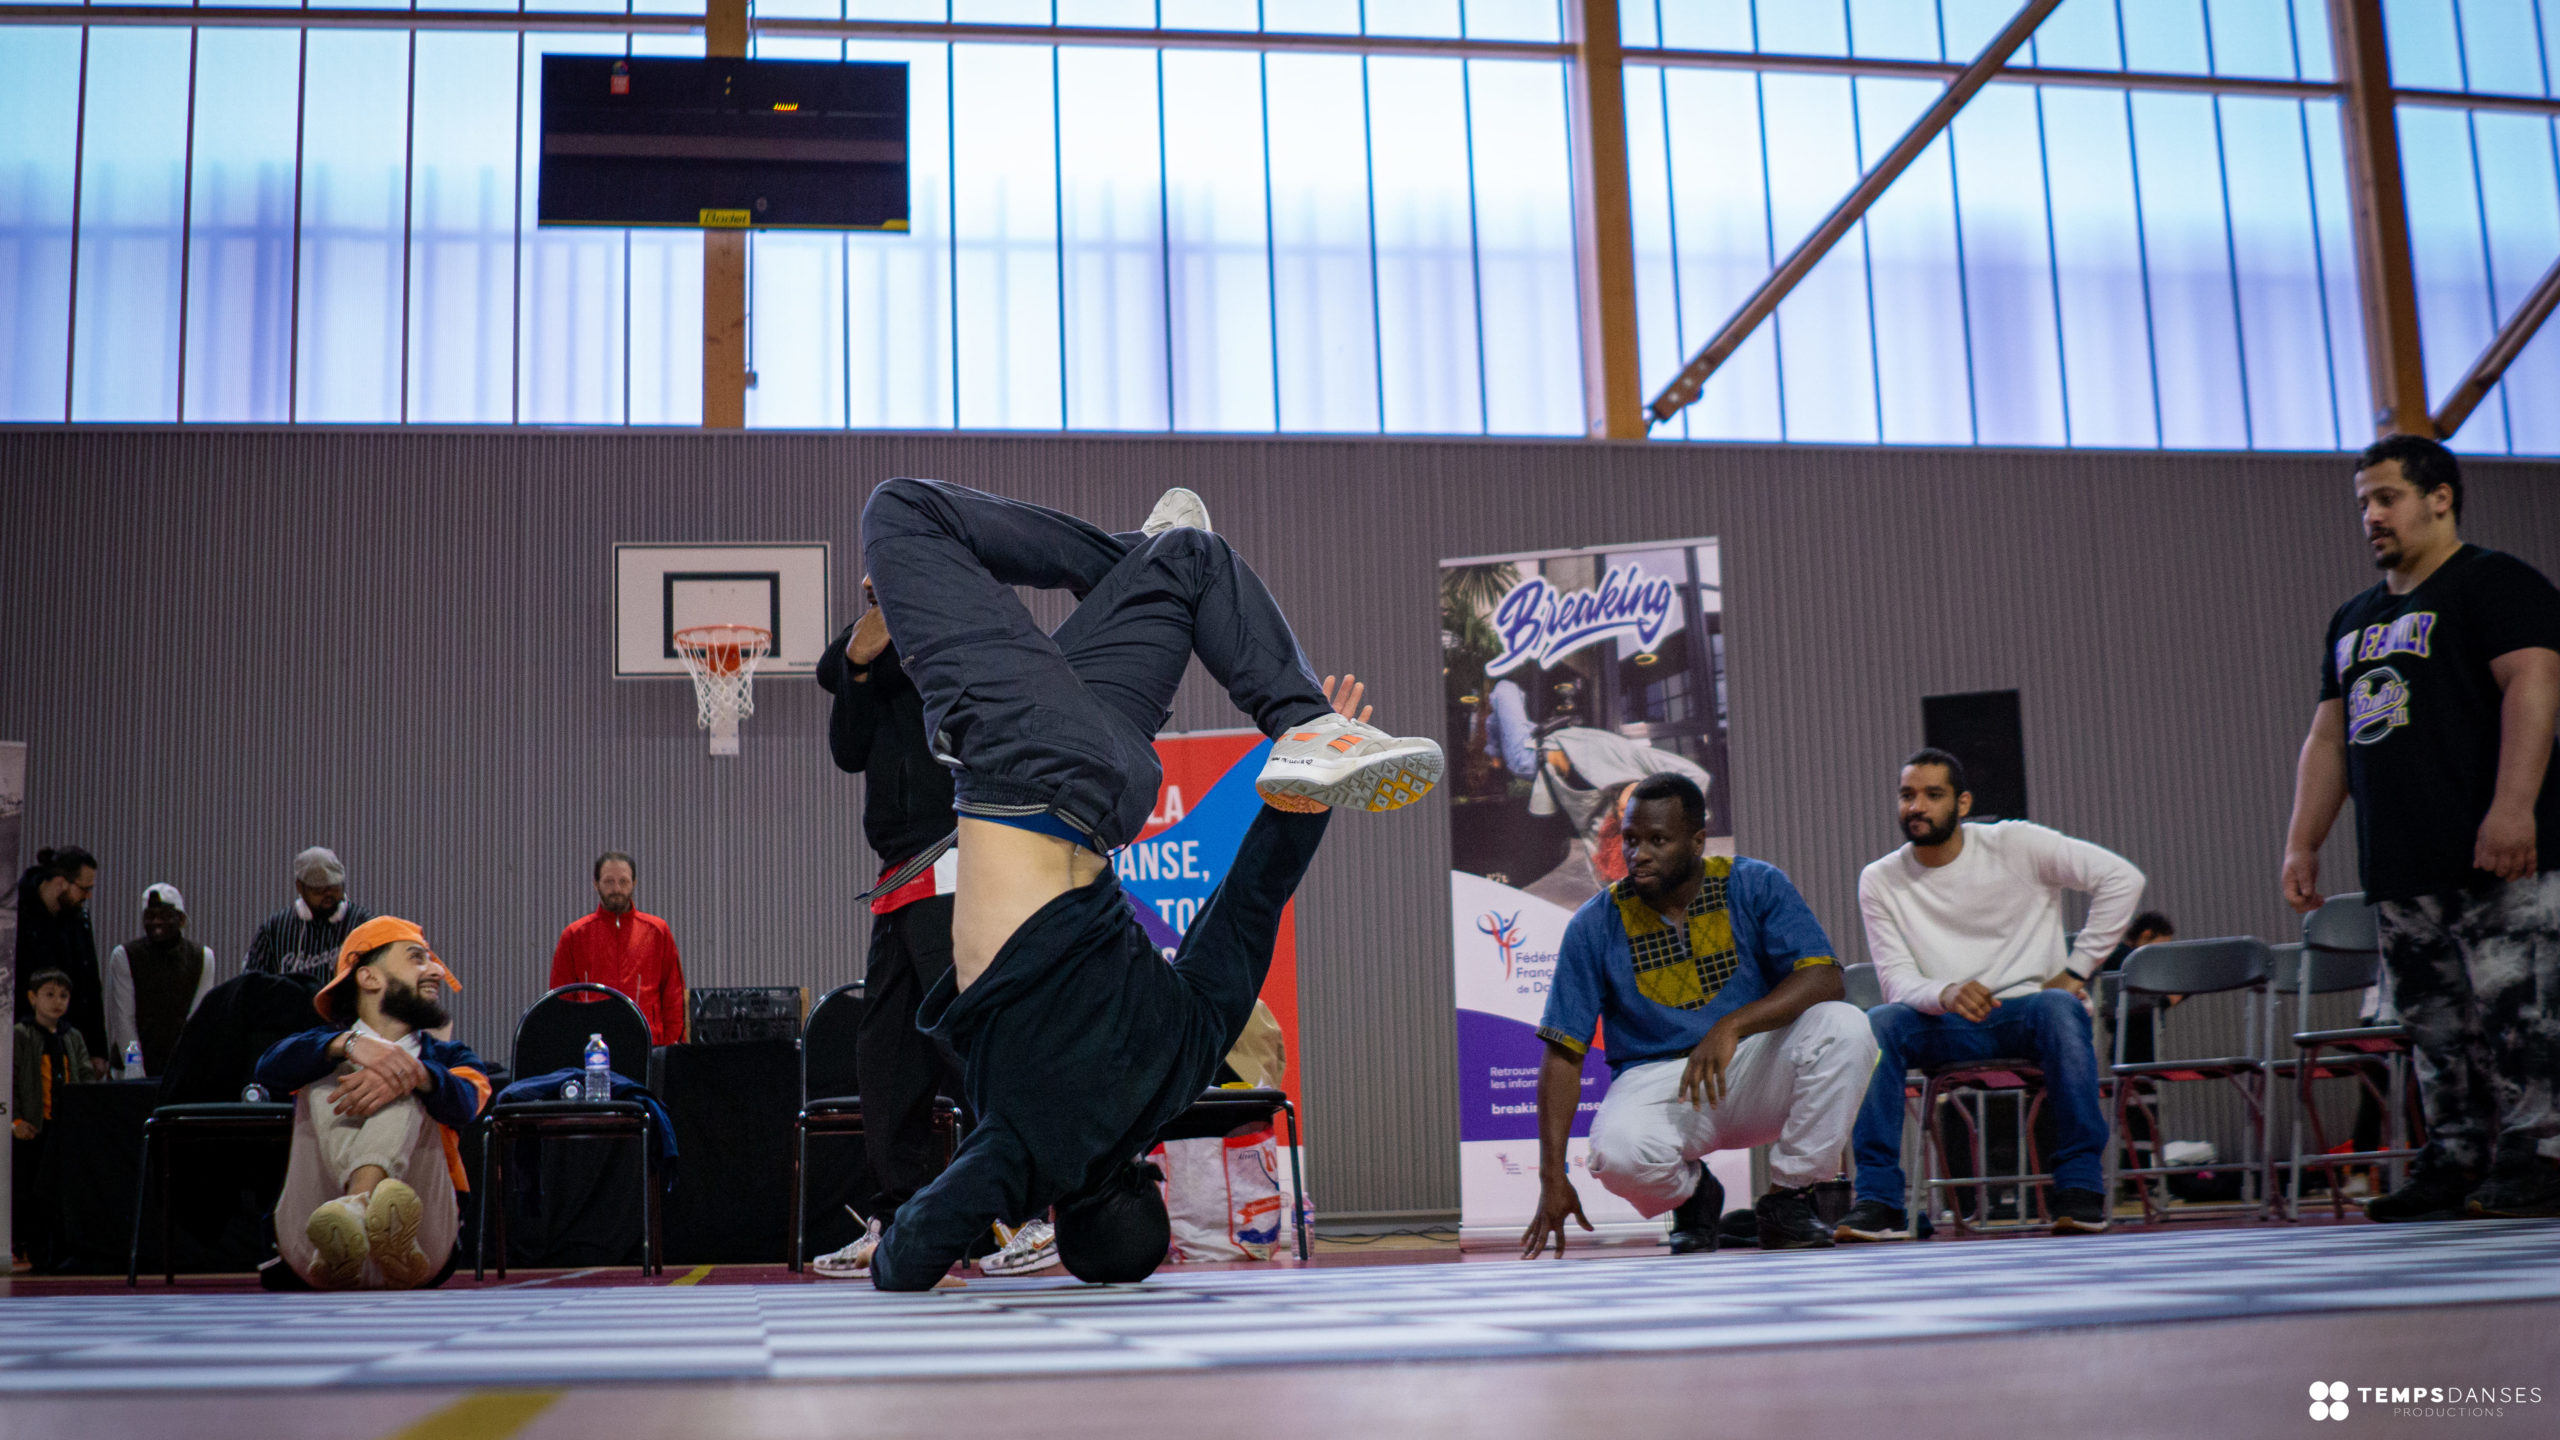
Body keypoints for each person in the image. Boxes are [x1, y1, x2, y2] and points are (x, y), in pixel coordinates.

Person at [853, 476, 1440, 1290]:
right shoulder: (1021, 1152)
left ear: (1144, 1181)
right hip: (1021, 763)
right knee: (903, 513)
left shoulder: (1183, 1062)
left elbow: (1250, 907)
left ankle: (1298, 715)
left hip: (1112, 783)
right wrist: (996, 1200)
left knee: (1191, 561)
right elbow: (905, 1254)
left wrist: (1307, 802)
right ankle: (1145, 572)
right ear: (1071, 1217)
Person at [2282, 434, 2560, 1222]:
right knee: (2436, 1027)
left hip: (2498, 854)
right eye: (2363, 503)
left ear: (2440, 498)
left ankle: (2542, 1155)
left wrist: (2514, 807)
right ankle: (2456, 1157)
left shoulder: (2494, 582)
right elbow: (2329, 737)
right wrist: (2303, 841)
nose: (2371, 516)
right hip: (2403, 865)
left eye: (2387, 498)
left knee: (2524, 1015)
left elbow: (2536, 683)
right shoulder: (2353, 618)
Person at [1521, 773, 1869, 1257]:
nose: (1639, 854)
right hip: (1659, 1083)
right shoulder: (1593, 924)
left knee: (1846, 1026)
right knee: (1615, 1155)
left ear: (1697, 841)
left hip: (1751, 1066)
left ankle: (1788, 1199)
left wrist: (1733, 1025)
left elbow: (1825, 978)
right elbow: (1563, 1054)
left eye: (1658, 840)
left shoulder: (1755, 883)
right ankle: (1695, 1199)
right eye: (1631, 839)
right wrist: (1551, 1176)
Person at [1835, 748, 2145, 1243]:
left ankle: (2079, 1188)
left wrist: (2077, 969)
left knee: (2061, 1006)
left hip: (2026, 1013)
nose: (1917, 806)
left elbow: (2122, 878)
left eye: (1932, 795)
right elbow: (1895, 980)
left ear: (1962, 804)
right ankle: (1880, 1199)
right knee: (1876, 1023)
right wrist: (1946, 992)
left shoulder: (2015, 843)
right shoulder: (1880, 878)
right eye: (1907, 795)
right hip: (1943, 1022)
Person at [252, 916, 492, 1289]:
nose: (436, 972)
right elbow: (267, 1070)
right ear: (368, 977)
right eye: (418, 958)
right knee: (326, 1077)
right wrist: (346, 1044)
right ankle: (352, 1222)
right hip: (309, 1244)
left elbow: (465, 1104)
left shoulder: (453, 1057)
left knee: (410, 1079)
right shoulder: (317, 1046)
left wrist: (416, 1074)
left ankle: (354, 1210)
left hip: (424, 1241)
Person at [549, 852, 686, 1047]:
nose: (617, 889)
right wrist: (568, 1046)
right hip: (592, 1048)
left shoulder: (657, 932)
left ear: (634, 883)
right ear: (596, 884)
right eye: (609, 881)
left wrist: (671, 1048)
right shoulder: (574, 936)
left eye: (623, 881)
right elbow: (560, 1001)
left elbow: (674, 997)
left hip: (648, 1045)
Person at [13, 967, 96, 1270]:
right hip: (34, 1127)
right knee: (32, 1191)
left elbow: (85, 1075)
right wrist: (15, 1120)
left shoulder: (72, 1036)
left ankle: (62, 1251)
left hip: (66, 1128)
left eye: (63, 995)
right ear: (32, 998)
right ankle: (31, 1248)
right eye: (49, 994)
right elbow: (11, 1080)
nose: (57, 1001)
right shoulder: (20, 1035)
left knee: (63, 1191)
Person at [104, 883, 217, 1078]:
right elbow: (124, 1019)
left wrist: (186, 1064)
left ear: (181, 919)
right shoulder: (124, 955)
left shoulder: (203, 957)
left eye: (165, 916)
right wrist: (134, 1066)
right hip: (131, 1068)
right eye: (150, 916)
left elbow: (197, 1018)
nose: (156, 922)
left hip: (177, 1067)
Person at [12, 846, 107, 1075]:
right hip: (24, 1043)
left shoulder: (77, 920)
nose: (88, 896)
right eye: (84, 889)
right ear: (61, 882)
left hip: (70, 1044)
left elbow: (90, 986)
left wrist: (97, 1049)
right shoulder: (15, 916)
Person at [244, 847, 376, 984]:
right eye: (318, 889)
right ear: (300, 887)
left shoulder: (364, 925)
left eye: (334, 887)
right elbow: (251, 982)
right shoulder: (274, 930)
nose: (328, 894)